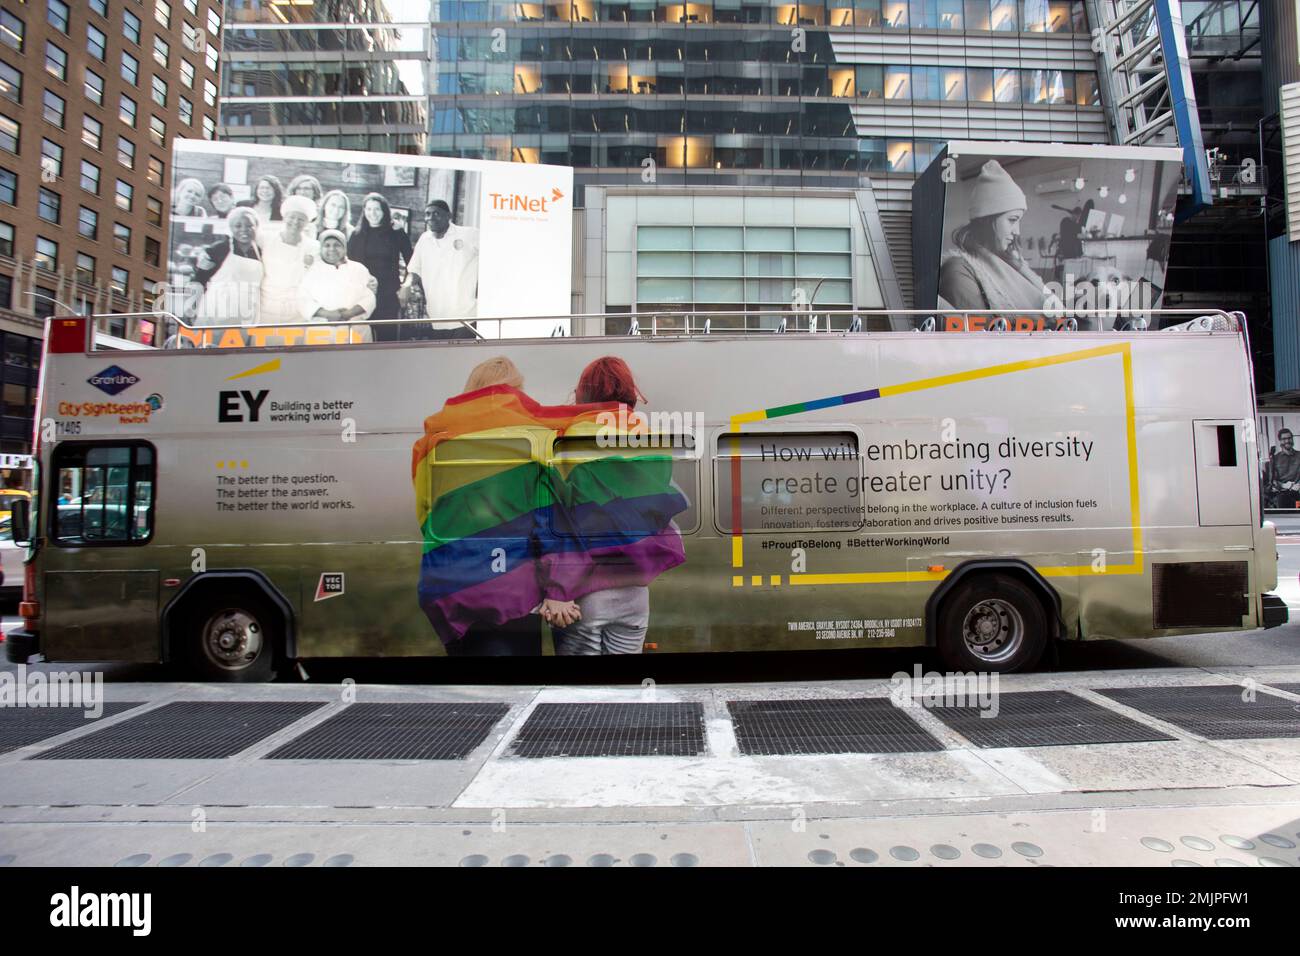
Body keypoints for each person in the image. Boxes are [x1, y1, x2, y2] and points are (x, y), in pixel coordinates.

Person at [548, 357, 687, 656]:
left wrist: (554, 589)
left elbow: (561, 520)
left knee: (581, 696)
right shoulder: (652, 440)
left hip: (584, 591)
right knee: (626, 694)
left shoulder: (568, 437)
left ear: (584, 392)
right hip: (636, 594)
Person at [939, 160, 1049, 312]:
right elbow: (978, 330)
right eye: (1012, 220)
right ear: (987, 220)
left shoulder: (1015, 264)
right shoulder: (958, 270)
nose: (1016, 231)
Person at [400, 199, 479, 336]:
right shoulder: (424, 239)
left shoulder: (469, 234)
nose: (430, 218)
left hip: (467, 315)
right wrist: (406, 285)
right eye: (427, 214)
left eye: (436, 214)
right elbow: (414, 269)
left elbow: (495, 256)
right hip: (437, 316)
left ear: (449, 216)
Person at [348, 192, 417, 341]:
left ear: (384, 211)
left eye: (377, 209)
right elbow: (348, 265)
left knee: (387, 338)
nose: (372, 213)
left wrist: (406, 285)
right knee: (361, 338)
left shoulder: (396, 232)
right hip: (362, 293)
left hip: (389, 294)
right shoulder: (356, 235)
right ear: (364, 211)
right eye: (369, 209)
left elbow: (412, 262)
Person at [299, 229, 375, 341]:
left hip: (355, 331)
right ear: (321, 248)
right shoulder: (312, 271)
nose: (332, 249)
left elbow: (369, 297)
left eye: (337, 245)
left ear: (344, 247)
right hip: (320, 332)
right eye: (327, 245)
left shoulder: (359, 269)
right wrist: (328, 314)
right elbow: (303, 299)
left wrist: (348, 314)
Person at [193, 207, 262, 326]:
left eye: (249, 225)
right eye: (238, 226)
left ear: (256, 227)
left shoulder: (260, 251)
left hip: (248, 311)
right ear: (231, 228)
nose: (244, 230)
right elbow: (199, 280)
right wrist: (193, 306)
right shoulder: (218, 249)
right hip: (217, 310)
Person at [257, 196, 320, 326]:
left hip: (296, 311)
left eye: (301, 219)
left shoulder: (313, 247)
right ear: (284, 217)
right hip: (267, 307)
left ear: (307, 223)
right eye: (292, 217)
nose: (295, 222)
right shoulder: (266, 240)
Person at [1268, 429, 1300, 508]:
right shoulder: (1275, 459)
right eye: (1284, 439)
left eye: (1289, 438)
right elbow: (1272, 481)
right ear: (1280, 441)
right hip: (1282, 493)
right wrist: (1284, 485)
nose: (1287, 441)